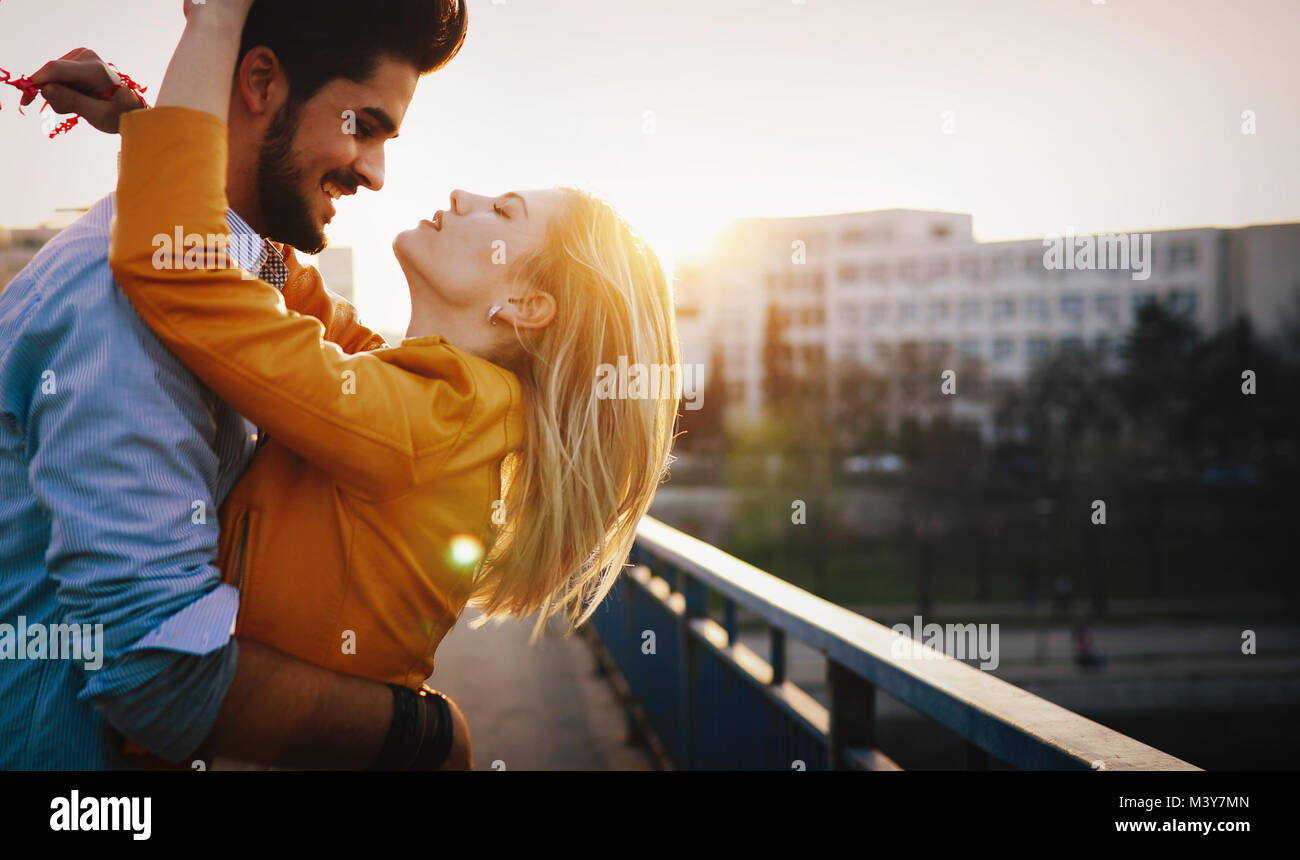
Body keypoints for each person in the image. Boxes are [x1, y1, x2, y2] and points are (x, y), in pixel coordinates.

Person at [109, 0, 680, 756]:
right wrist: (152, 123)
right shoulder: (424, 392)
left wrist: (215, 22)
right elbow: (284, 285)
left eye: (502, 213)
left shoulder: (428, 420)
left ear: (524, 303)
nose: (463, 198)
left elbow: (176, 271)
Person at [0, 0, 472, 769]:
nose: (376, 173)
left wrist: (149, 126)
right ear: (259, 81)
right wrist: (427, 734)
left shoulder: (218, 278)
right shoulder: (132, 300)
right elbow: (153, 672)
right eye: (367, 126)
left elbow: (253, 263)